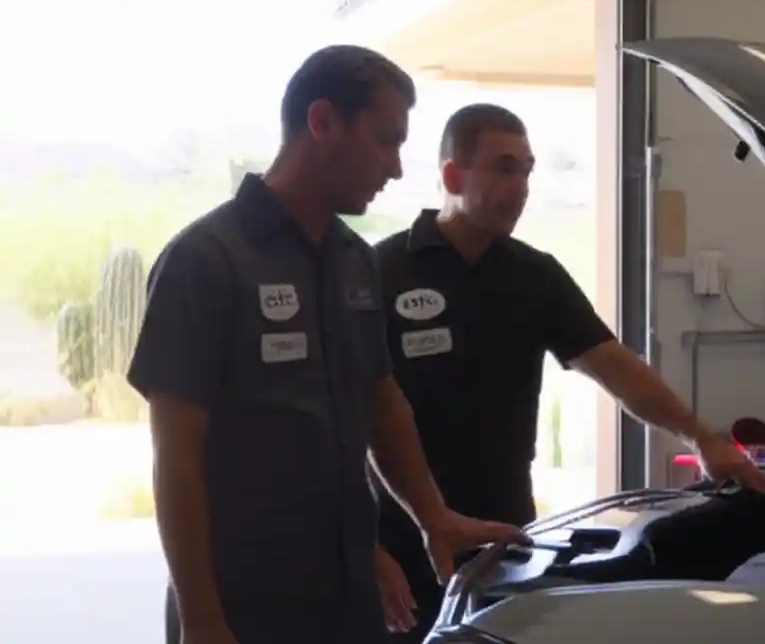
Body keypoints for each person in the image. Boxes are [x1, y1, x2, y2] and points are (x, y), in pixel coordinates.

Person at [127, 47, 527, 644]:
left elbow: (381, 401)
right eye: (385, 141)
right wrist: (202, 618)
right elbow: (176, 456)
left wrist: (431, 518)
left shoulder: (354, 261)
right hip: (242, 606)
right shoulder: (205, 260)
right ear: (322, 122)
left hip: (346, 599)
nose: (395, 168)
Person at [370, 103, 765, 640]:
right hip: (401, 548)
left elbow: (616, 367)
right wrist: (364, 548)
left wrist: (702, 438)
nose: (520, 188)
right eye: (503, 168)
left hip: (502, 543)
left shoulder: (534, 276)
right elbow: (343, 419)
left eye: (526, 171)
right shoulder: (381, 271)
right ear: (452, 175)